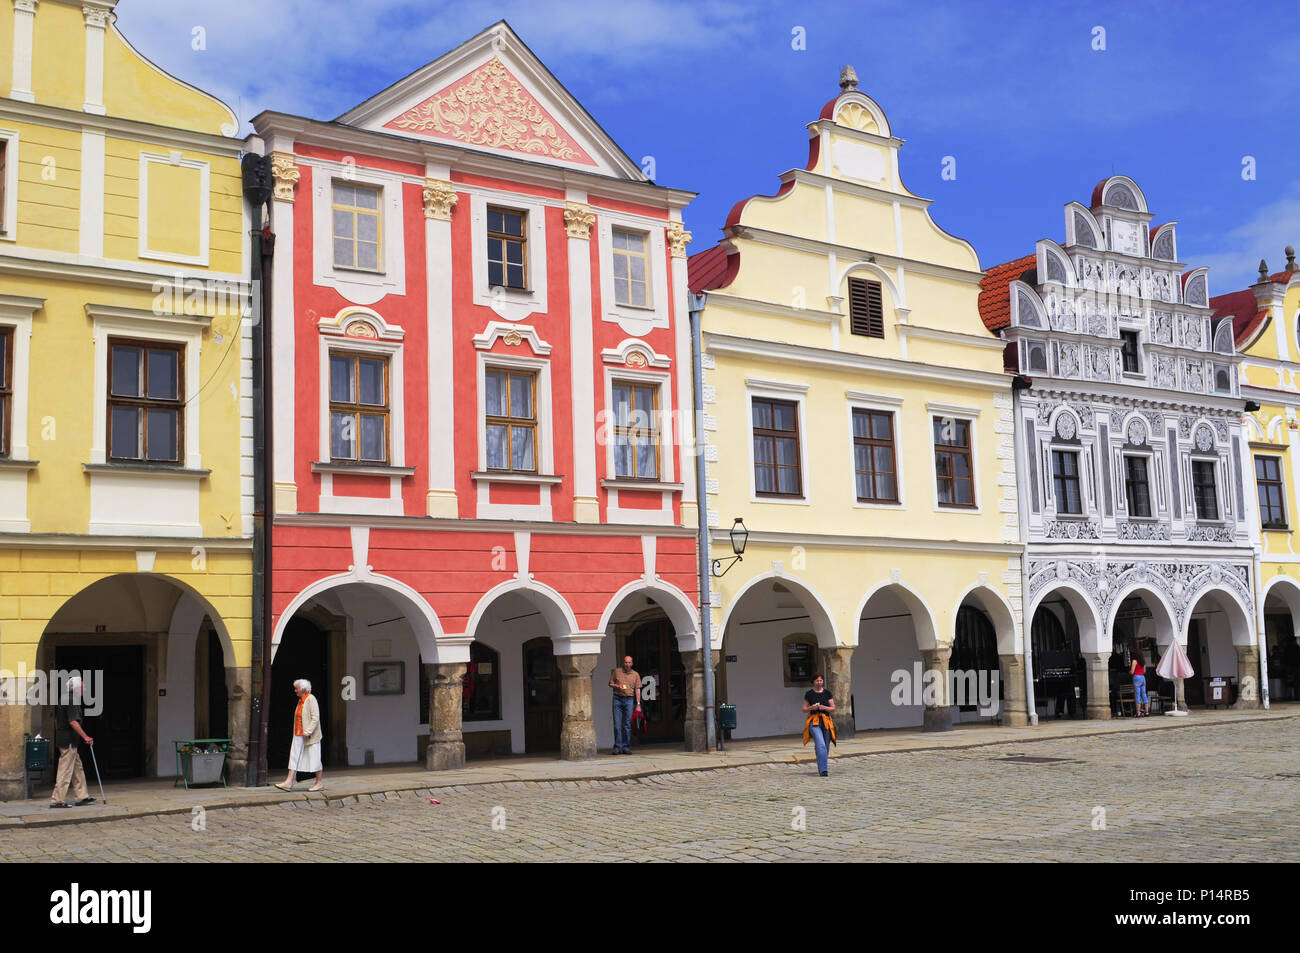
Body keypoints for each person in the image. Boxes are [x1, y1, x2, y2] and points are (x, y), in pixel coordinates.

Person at [51, 675, 96, 808]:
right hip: (68, 740)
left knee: (78, 768)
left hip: (67, 739)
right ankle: (57, 800)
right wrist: (86, 737)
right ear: (76, 688)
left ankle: (82, 796)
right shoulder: (71, 700)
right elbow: (73, 722)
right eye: (82, 687)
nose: (84, 689)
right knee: (65, 770)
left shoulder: (65, 698)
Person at [275, 679, 323, 791]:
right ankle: (289, 781)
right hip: (298, 734)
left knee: (315, 758)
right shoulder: (301, 700)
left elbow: (315, 718)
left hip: (309, 735)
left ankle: (319, 782)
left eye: (296, 688)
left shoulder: (311, 699)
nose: (295, 690)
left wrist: (308, 731)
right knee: (294, 756)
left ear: (303, 689)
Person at [802, 673, 836, 777]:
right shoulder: (809, 694)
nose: (819, 683)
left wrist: (823, 707)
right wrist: (811, 708)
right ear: (813, 682)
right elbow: (804, 709)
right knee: (821, 744)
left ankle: (822, 765)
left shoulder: (827, 693)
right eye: (817, 681)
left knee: (825, 747)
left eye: (821, 681)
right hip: (814, 722)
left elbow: (833, 707)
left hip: (826, 721)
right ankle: (823, 771)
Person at [608, 656, 641, 755]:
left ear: (632, 663)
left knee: (627, 725)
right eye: (626, 662)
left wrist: (638, 704)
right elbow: (610, 683)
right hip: (617, 698)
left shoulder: (635, 674)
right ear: (623, 663)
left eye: (629, 662)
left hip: (629, 700)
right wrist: (618, 686)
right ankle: (618, 747)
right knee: (617, 725)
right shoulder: (617, 671)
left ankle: (626, 747)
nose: (627, 664)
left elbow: (637, 689)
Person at [1131, 650, 1149, 717]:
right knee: (1144, 694)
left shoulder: (1134, 661)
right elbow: (1144, 671)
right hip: (1142, 677)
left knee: (1137, 695)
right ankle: (1147, 712)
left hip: (1137, 677)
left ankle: (1138, 712)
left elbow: (1132, 672)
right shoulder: (1143, 661)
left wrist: (1130, 672)